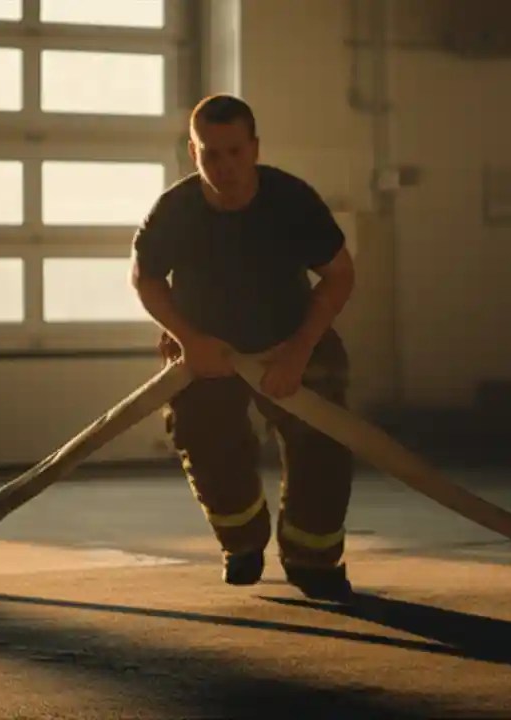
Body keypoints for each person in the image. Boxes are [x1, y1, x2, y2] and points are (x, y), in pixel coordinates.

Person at [130, 94, 357, 601]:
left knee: (323, 443)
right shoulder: (175, 211)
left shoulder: (292, 201)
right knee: (202, 435)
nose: (225, 166)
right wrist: (190, 341)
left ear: (254, 148)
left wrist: (299, 352)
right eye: (211, 154)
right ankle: (243, 543)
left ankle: (312, 558)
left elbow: (339, 276)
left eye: (235, 151)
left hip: (291, 339)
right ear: (194, 153)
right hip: (208, 347)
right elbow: (145, 278)